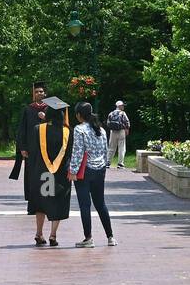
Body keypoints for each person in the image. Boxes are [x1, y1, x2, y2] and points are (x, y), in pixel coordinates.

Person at [11, 81, 72, 246]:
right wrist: (22, 147)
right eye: (36, 91)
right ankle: (51, 235)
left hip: (41, 164)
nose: (39, 94)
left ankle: (40, 233)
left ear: (45, 94)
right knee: (56, 198)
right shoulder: (29, 109)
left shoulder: (43, 121)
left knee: (41, 196)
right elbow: (21, 130)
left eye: (41, 91)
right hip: (48, 164)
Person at [69, 101, 116, 248]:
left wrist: (72, 171)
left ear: (78, 115)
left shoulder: (79, 129)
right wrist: (102, 166)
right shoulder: (101, 129)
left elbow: (77, 152)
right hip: (100, 169)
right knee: (100, 204)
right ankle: (110, 237)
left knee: (85, 205)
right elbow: (105, 150)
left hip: (85, 170)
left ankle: (88, 238)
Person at [105, 99, 131, 170]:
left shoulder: (111, 113)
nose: (123, 107)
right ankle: (120, 163)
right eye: (122, 105)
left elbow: (108, 123)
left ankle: (108, 162)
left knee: (111, 147)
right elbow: (127, 122)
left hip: (113, 132)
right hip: (121, 131)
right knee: (121, 147)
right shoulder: (122, 113)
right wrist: (127, 129)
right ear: (119, 106)